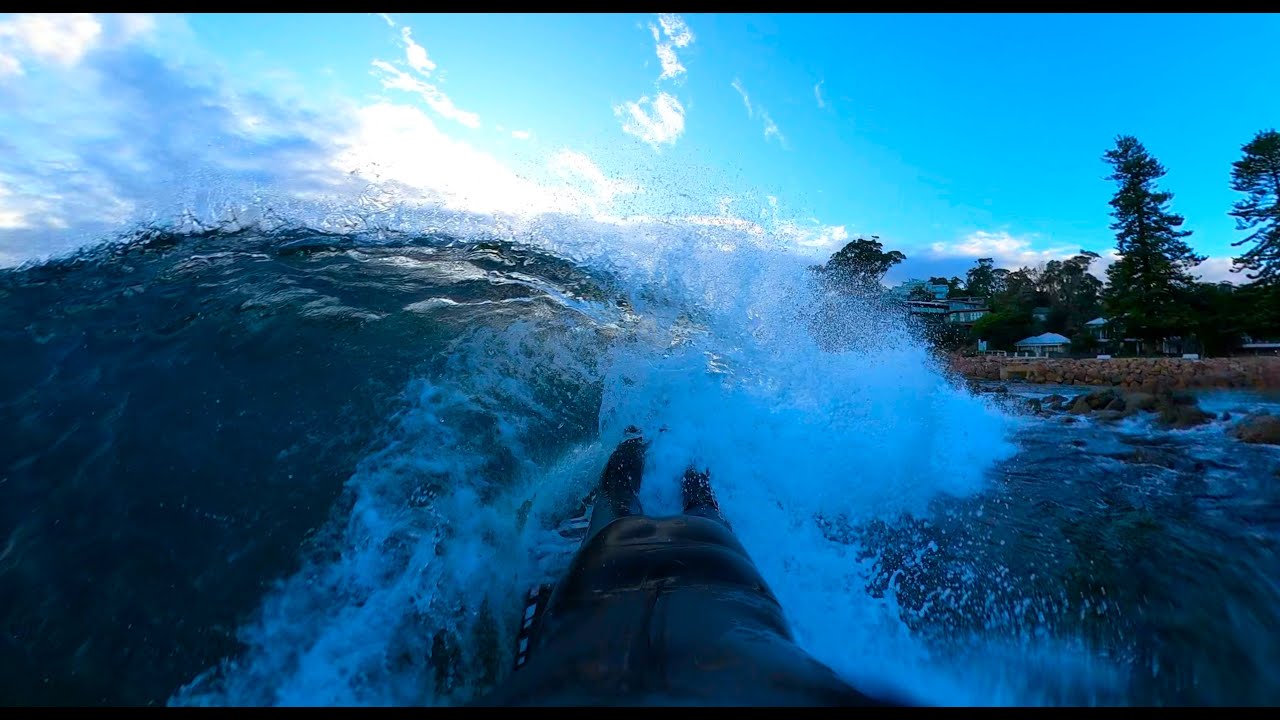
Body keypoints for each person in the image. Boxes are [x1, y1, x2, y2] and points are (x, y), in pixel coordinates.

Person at [474, 428, 903, 706]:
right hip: (615, 566)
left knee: (669, 500)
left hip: (717, 564)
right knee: (624, 498)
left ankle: (652, 438)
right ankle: (667, 439)